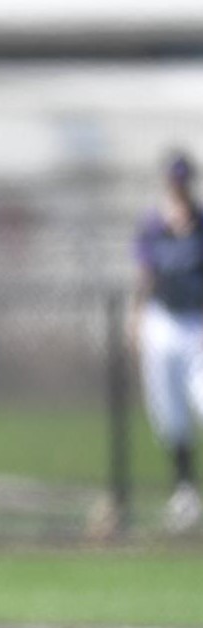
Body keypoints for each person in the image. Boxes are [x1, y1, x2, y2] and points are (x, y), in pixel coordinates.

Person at [132, 148, 203, 532]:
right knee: (170, 412)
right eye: (173, 180)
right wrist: (135, 318)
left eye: (182, 179)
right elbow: (145, 274)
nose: (177, 186)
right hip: (162, 322)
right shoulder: (153, 224)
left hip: (197, 322)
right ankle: (185, 491)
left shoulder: (201, 223)